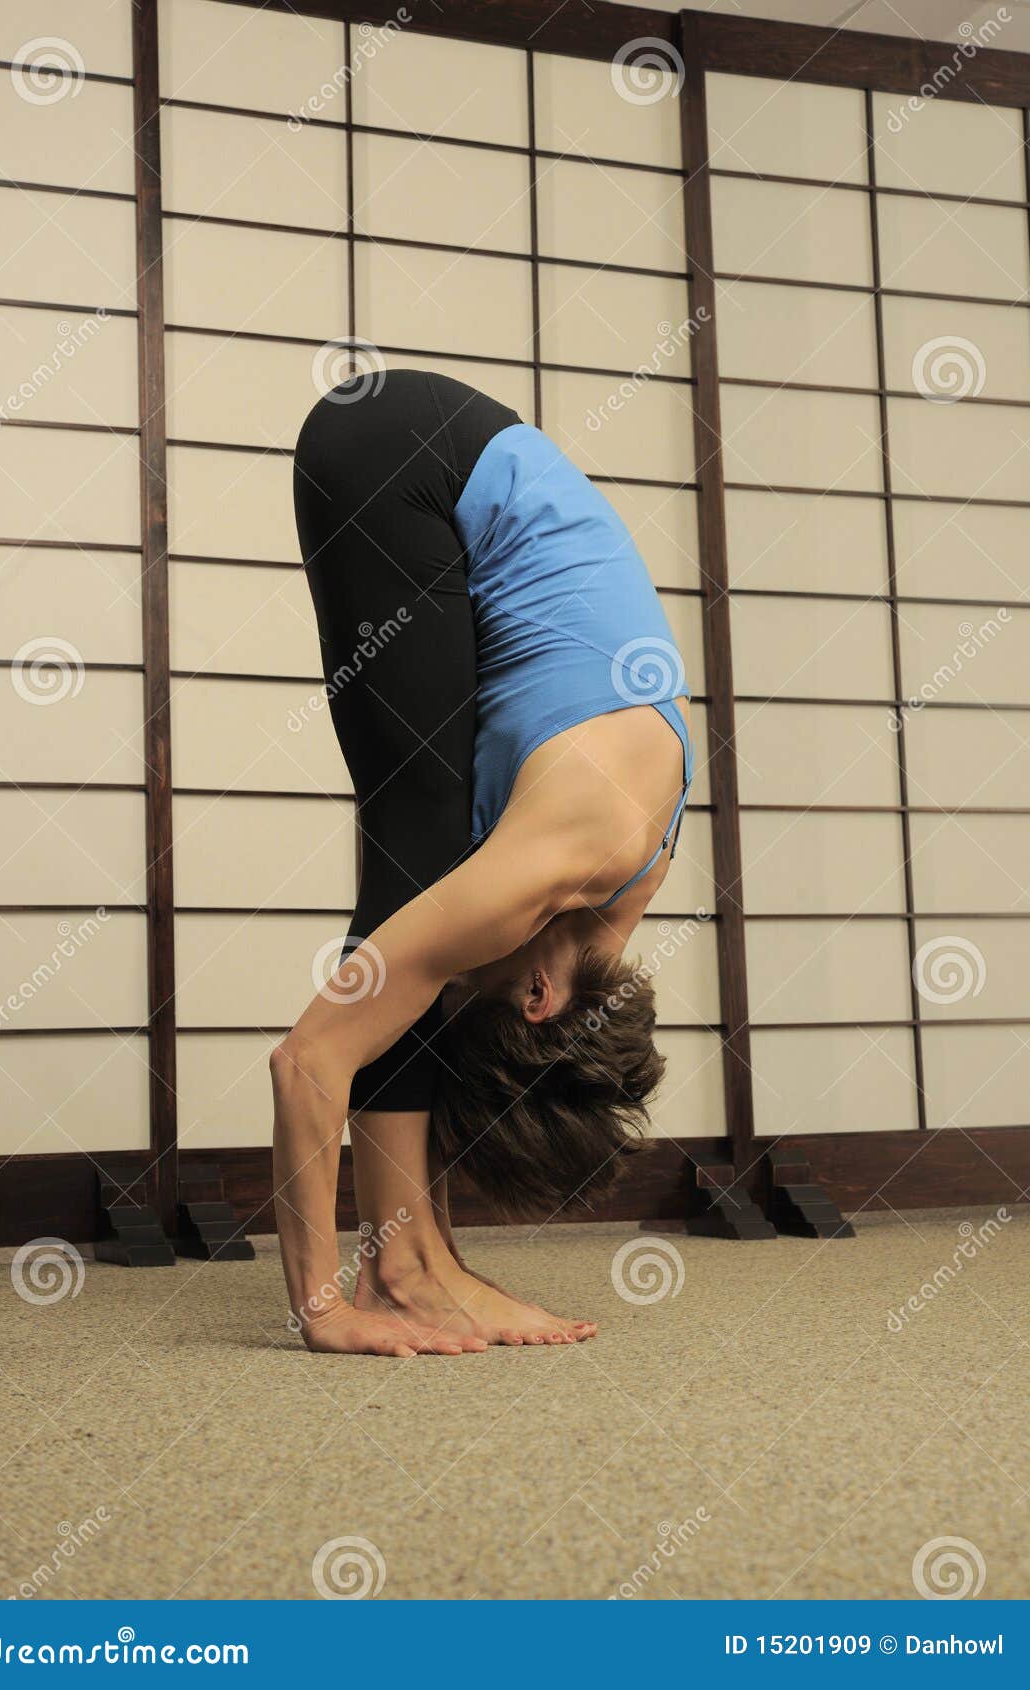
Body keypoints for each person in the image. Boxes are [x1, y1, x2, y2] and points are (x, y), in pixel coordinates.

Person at [271, 369, 693, 1357]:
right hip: (402, 454)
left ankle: (423, 1258)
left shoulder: (626, 881)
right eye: (474, 996)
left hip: (445, 454)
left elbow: (468, 986)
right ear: (539, 997)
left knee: (423, 876)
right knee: (416, 863)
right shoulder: (554, 868)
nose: (458, 982)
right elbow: (308, 1059)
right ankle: (404, 1266)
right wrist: (318, 1306)